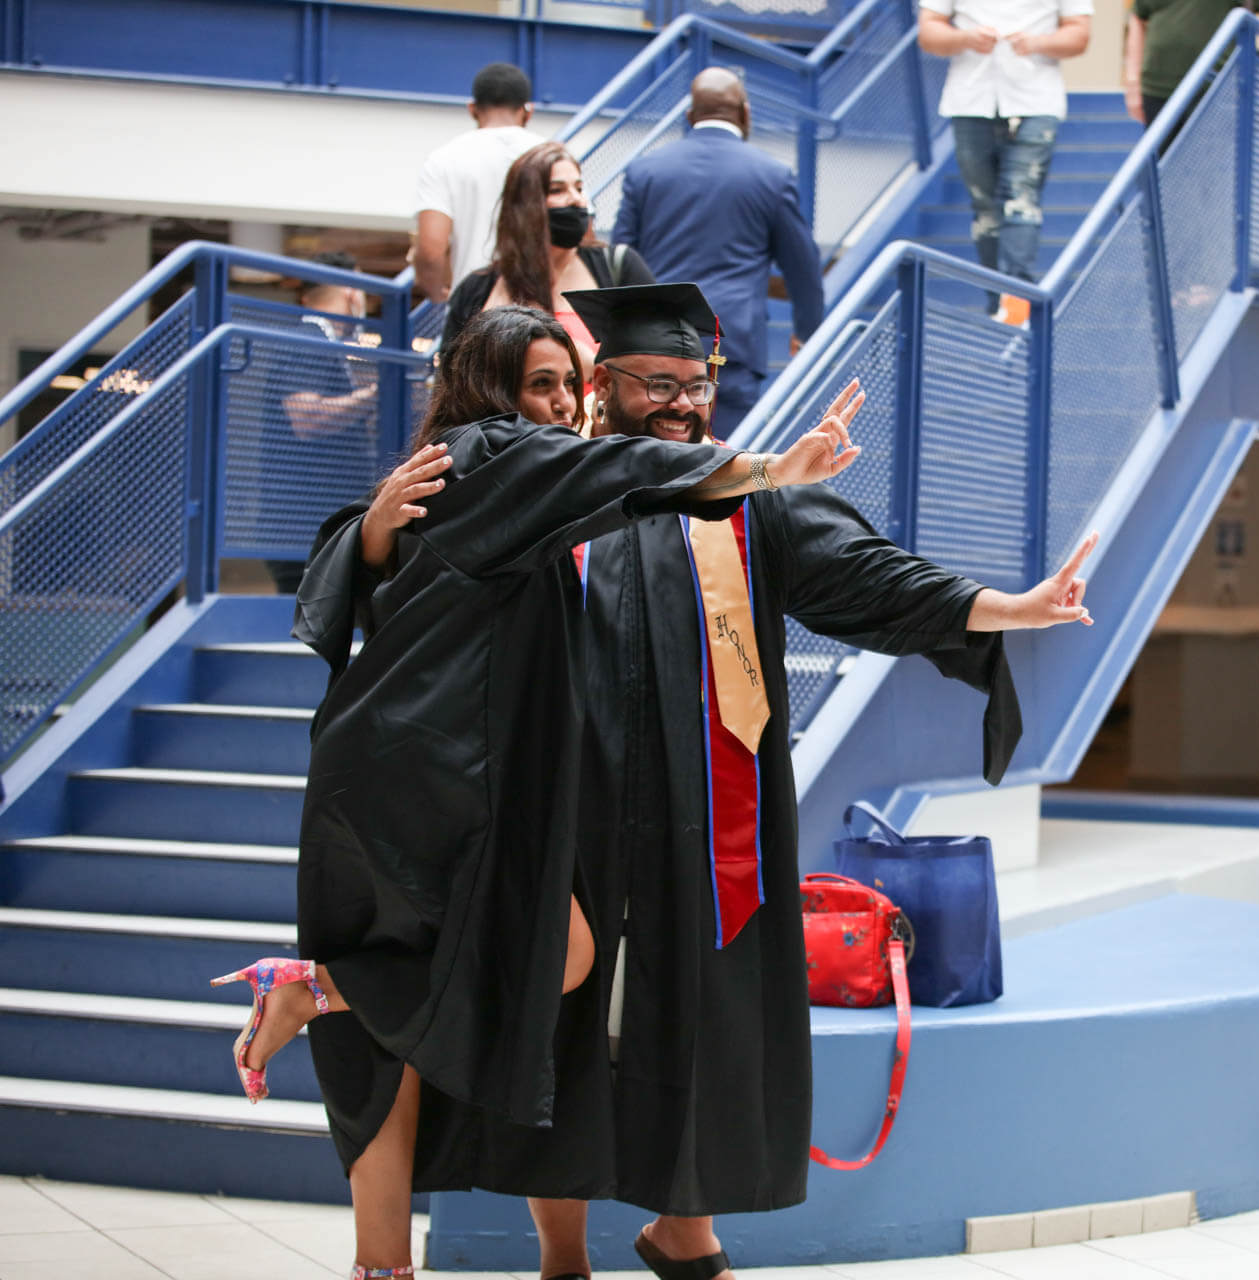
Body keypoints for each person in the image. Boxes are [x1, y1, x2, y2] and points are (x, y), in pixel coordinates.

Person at [209, 302, 862, 1280]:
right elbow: (626, 471)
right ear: (493, 392)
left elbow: (368, 561)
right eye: (542, 384)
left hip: (425, 765)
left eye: (568, 382)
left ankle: (375, 1240)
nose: (562, 402)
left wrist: (374, 535)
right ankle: (318, 992)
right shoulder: (504, 456)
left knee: (428, 1012)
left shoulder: (451, 466)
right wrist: (771, 467)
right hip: (423, 775)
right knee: (553, 957)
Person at [610, 70, 825, 439]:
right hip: (728, 348)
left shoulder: (645, 171)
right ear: (745, 113)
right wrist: (806, 332)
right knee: (724, 466)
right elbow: (803, 268)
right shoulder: (772, 176)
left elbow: (618, 260)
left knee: (649, 461)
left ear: (690, 116)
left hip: (653, 345)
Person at [917, 0, 1092, 323]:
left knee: (1020, 199)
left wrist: (1038, 42)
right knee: (984, 208)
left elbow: (1080, 34)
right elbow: (928, 31)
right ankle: (997, 302)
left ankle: (1017, 305)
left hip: (1036, 98)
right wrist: (966, 38)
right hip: (970, 99)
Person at [443, 141, 653, 383]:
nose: (576, 200)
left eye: (579, 188)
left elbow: (651, 363)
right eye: (557, 190)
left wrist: (595, 367)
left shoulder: (619, 267)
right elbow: (451, 382)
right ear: (525, 206)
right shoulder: (478, 288)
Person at [255, 251, 380, 594]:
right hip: (304, 528)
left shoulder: (326, 345)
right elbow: (306, 418)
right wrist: (376, 395)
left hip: (316, 526)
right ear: (352, 292)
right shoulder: (309, 340)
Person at [413, 62, 545, 304]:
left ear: (472, 109)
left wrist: (437, 295)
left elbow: (431, 250)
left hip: (471, 306)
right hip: (539, 305)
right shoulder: (550, 155)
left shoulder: (444, 158)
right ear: (528, 111)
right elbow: (582, 235)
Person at [1123, 0, 1259, 127]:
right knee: (1161, 176)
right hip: (1159, 91)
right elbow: (1138, 17)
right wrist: (1132, 82)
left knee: (1213, 177)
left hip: (1218, 92)